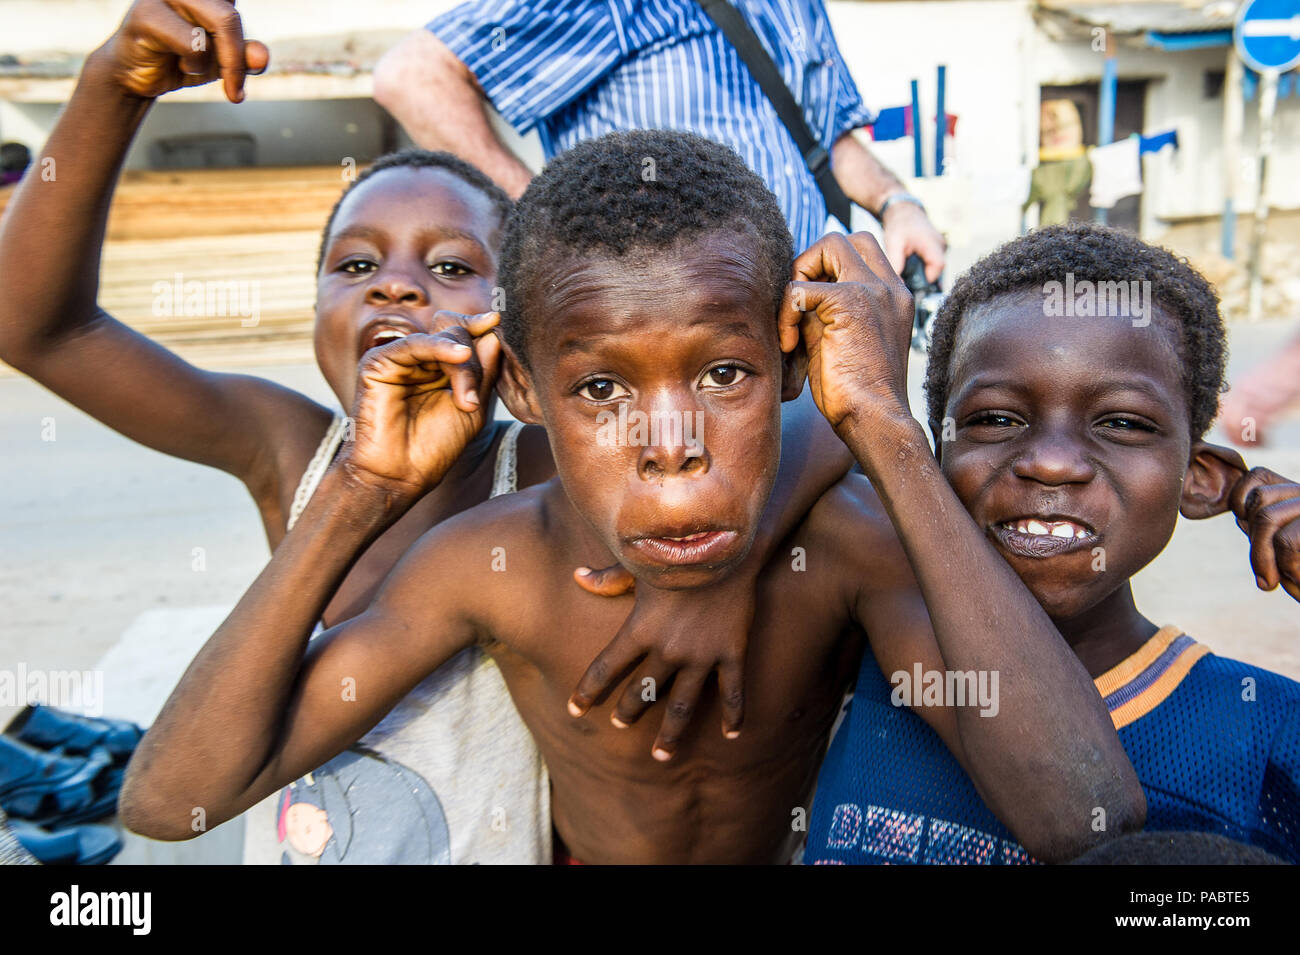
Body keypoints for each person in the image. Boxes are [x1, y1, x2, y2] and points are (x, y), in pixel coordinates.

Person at [119, 130, 1145, 864]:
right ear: (522, 389)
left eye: (722, 375)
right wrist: (360, 489)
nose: (670, 447)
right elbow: (173, 802)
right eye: (602, 388)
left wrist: (881, 425)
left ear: (793, 364)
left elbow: (1084, 819)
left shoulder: (839, 552)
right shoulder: (494, 568)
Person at [0, 0, 850, 864]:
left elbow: (805, 417)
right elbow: (42, 331)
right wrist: (111, 86)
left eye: (450, 266)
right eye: (358, 264)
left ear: (525, 337)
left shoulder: (566, 452)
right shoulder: (293, 449)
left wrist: (705, 580)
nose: (397, 290)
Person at [805, 224, 1300, 864]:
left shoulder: (1264, 730)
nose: (1052, 463)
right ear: (933, 454)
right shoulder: (869, 639)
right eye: (995, 418)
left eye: (1123, 423)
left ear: (1199, 480)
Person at [373, 0, 947, 281]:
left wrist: (899, 205)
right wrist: (552, 224)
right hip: (670, 335)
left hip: (803, 321)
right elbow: (414, 77)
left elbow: (828, 144)